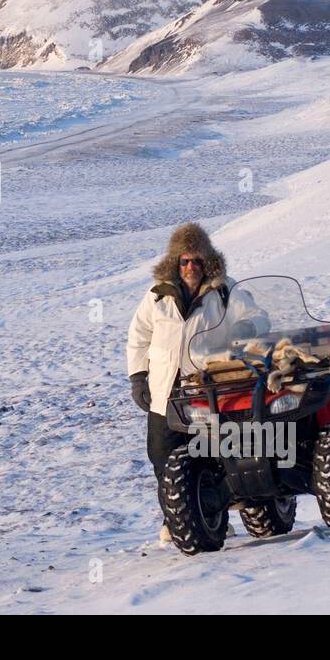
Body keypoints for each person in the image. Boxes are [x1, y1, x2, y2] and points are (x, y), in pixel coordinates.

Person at [124, 222, 265, 540]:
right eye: (184, 261)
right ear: (175, 261)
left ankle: (212, 515)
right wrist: (137, 377)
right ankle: (172, 520)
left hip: (207, 390)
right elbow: (139, 335)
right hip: (164, 393)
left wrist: (244, 330)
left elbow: (257, 316)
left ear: (207, 261)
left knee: (208, 455)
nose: (190, 267)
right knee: (162, 456)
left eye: (197, 261)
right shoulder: (157, 295)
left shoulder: (225, 289)